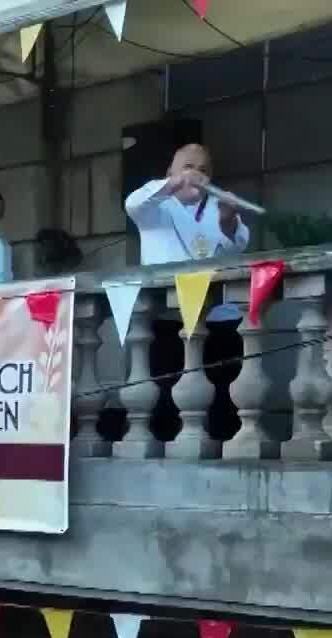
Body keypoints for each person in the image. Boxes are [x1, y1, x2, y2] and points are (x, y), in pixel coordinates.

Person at [123, 143, 252, 443]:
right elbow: (133, 203)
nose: (196, 174)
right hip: (167, 317)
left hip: (217, 316)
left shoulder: (217, 207)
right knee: (166, 395)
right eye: (188, 167)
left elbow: (237, 247)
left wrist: (228, 220)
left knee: (223, 394)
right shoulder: (155, 204)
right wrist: (174, 185)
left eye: (204, 170)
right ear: (170, 172)